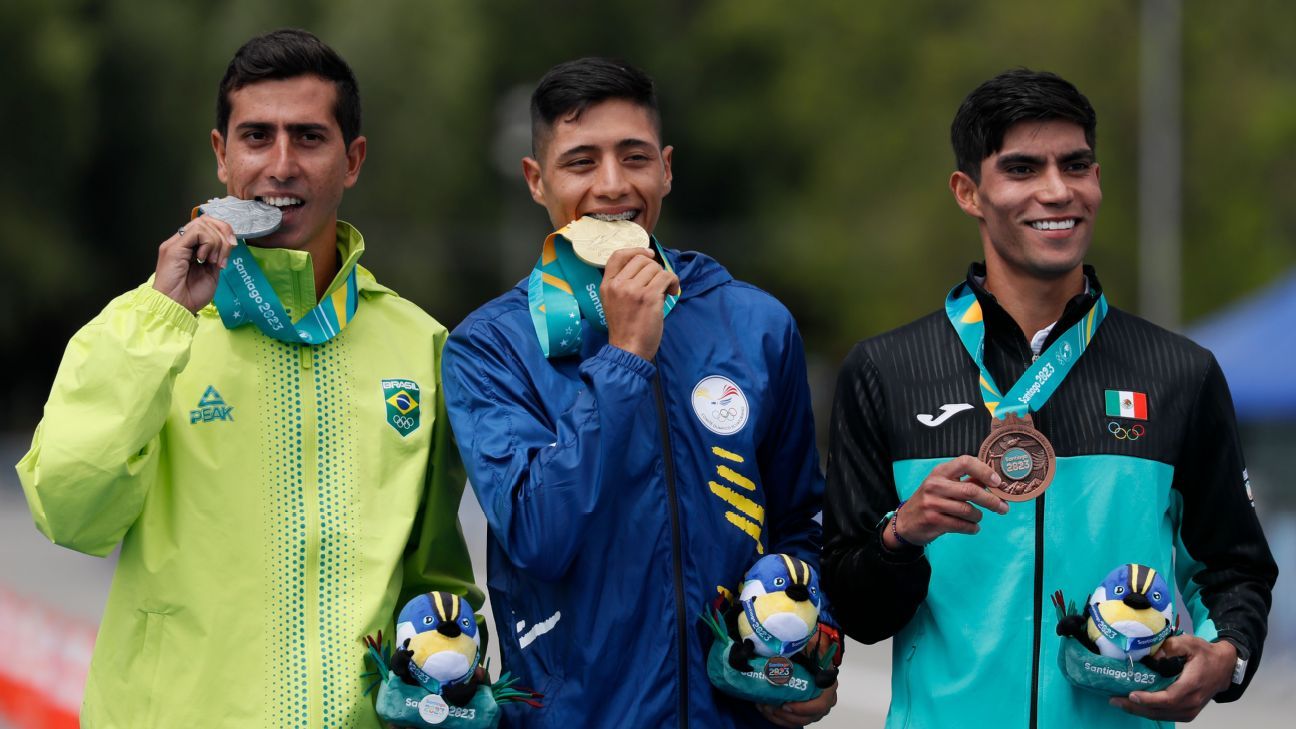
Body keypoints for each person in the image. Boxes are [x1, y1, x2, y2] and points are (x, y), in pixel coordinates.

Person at [15, 29, 480, 728]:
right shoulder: (146, 327)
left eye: (310, 138)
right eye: (257, 137)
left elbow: (437, 584)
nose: (281, 165)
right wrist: (163, 318)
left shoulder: (419, 344)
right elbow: (70, 510)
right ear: (221, 155)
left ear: (352, 160)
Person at [822, 68, 1278, 727]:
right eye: (1023, 168)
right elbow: (856, 612)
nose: (1057, 190)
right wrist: (900, 536)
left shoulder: (1179, 372)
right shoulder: (886, 370)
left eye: (1076, 164)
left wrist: (1226, 654)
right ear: (969, 192)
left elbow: (1237, 569)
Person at [441, 57, 837, 728]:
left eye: (634, 157)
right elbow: (538, 537)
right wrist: (625, 357)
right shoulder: (489, 346)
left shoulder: (755, 324)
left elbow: (801, 524)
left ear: (668, 169)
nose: (613, 185)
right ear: (536, 181)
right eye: (580, 162)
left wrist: (811, 642)